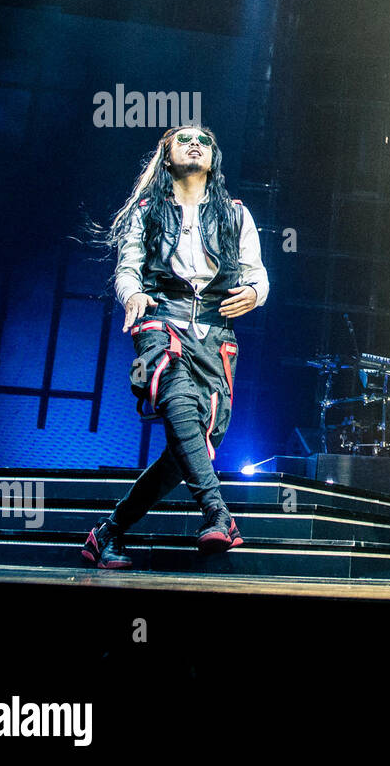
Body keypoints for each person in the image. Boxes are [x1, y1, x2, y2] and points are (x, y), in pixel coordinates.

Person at [81, 125, 269, 569]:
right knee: (181, 405)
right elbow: (128, 269)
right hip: (160, 323)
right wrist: (133, 296)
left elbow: (258, 273)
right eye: (183, 139)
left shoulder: (237, 213)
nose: (195, 144)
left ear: (213, 159)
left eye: (204, 140)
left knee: (196, 444)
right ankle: (219, 515)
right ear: (167, 157)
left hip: (216, 335)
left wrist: (256, 294)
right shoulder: (145, 211)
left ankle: (105, 535)